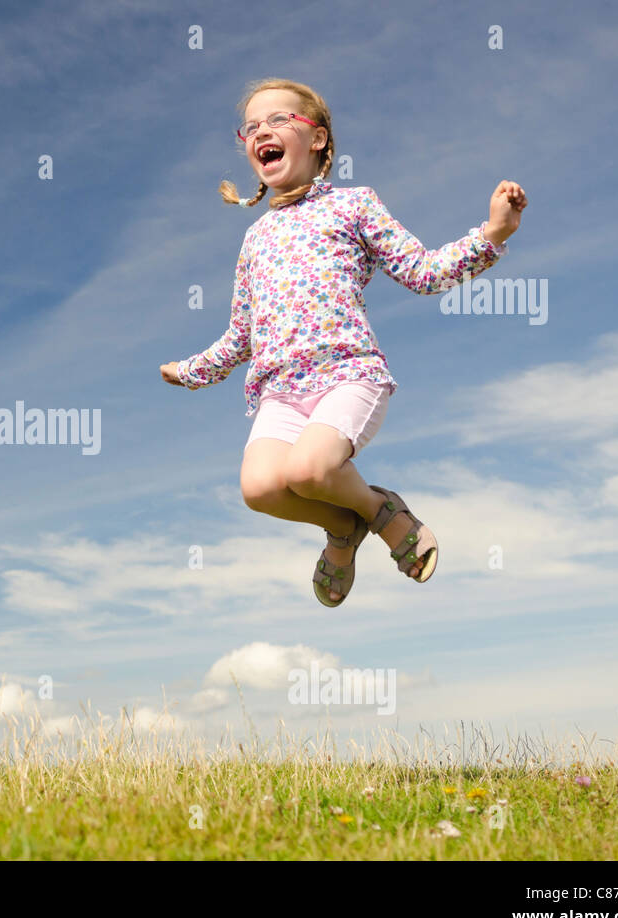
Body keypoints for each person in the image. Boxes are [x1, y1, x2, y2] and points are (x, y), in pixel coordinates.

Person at [160, 78, 527, 606]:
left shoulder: (353, 205)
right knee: (260, 488)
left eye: (280, 119)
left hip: (347, 374)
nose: (264, 130)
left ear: (318, 139)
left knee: (310, 469)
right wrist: (193, 370)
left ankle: (382, 513)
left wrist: (491, 235)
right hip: (279, 389)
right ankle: (341, 528)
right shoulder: (255, 238)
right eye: (253, 126)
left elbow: (423, 271)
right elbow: (242, 333)